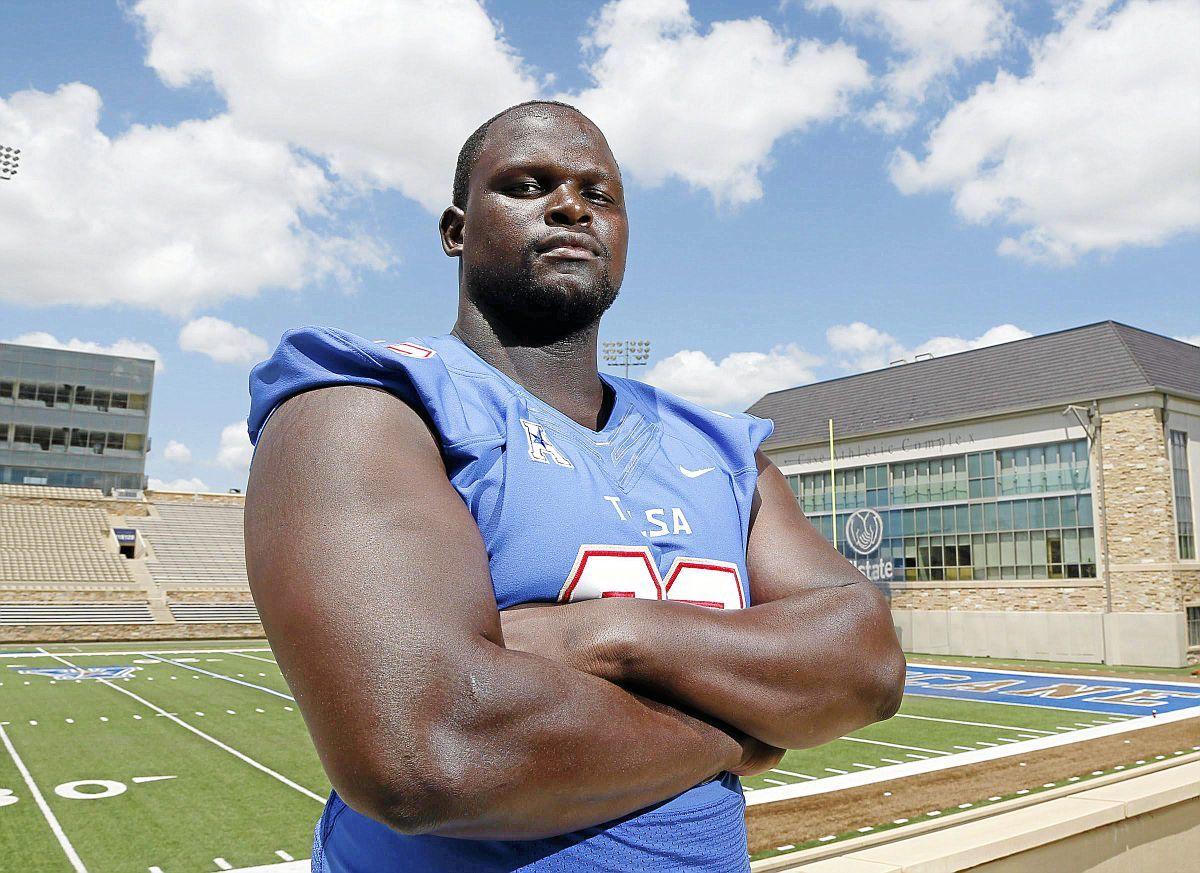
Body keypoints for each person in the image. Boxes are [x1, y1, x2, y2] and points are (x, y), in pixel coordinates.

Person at [244, 100, 905, 872]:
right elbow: (429, 752)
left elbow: (868, 661)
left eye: (599, 195)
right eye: (527, 185)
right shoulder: (367, 404)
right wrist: (731, 736)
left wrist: (606, 636)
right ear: (457, 230)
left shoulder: (723, 448)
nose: (569, 206)